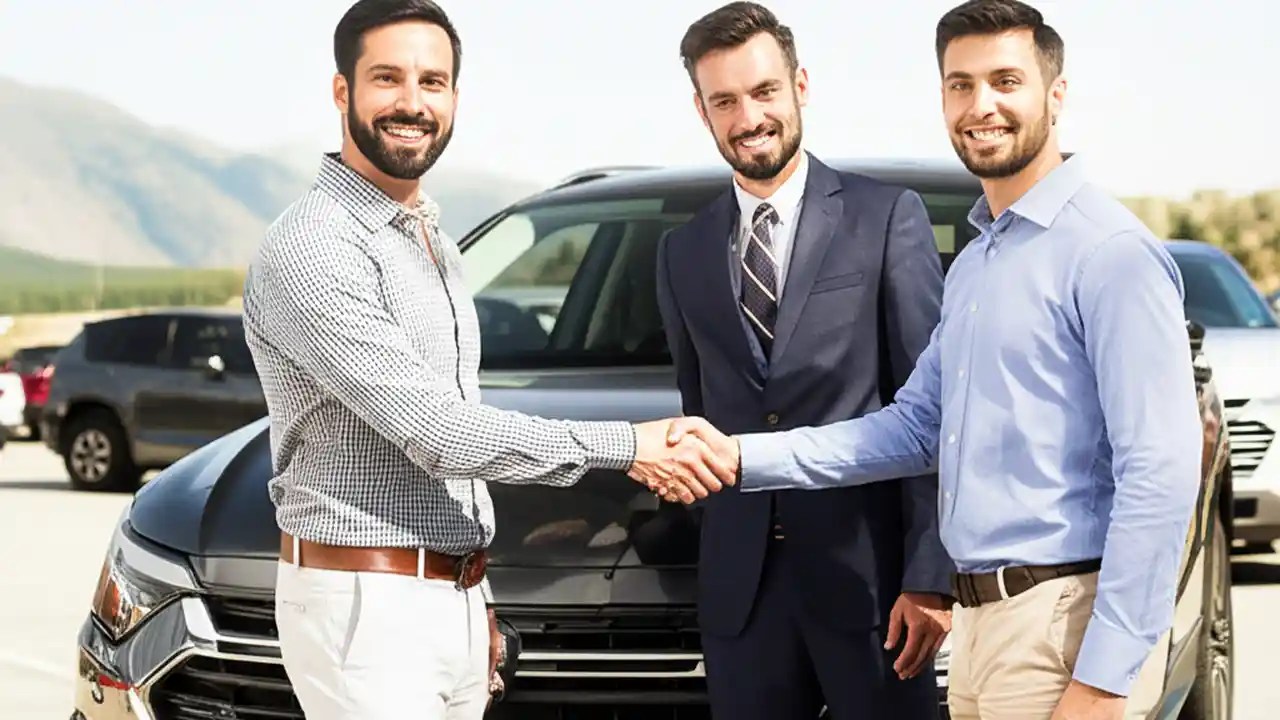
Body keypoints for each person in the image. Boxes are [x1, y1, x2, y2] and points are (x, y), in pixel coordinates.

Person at [665, 1, 1203, 719]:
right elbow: (915, 428)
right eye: (960, 85)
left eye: (1005, 81)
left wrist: (1103, 681)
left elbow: (1161, 476)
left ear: (1057, 94)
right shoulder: (982, 261)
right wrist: (737, 458)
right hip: (987, 634)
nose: (981, 106)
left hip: (1059, 629)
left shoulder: (1111, 254)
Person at [240, 1, 732, 718]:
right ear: (343, 91)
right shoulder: (317, 247)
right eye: (388, 79)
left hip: (446, 598)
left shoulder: (427, 236)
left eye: (432, 82)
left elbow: (455, 427)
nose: (413, 103)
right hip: (370, 609)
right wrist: (631, 446)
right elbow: (438, 432)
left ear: (455, 99)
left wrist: (468, 592)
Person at [654, 4, 955, 718]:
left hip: (876, 592)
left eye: (763, 92)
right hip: (743, 599)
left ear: (801, 87)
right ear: (702, 111)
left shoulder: (886, 219)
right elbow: (701, 417)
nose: (748, 116)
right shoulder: (681, 252)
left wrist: (929, 574)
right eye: (724, 100)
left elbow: (935, 410)